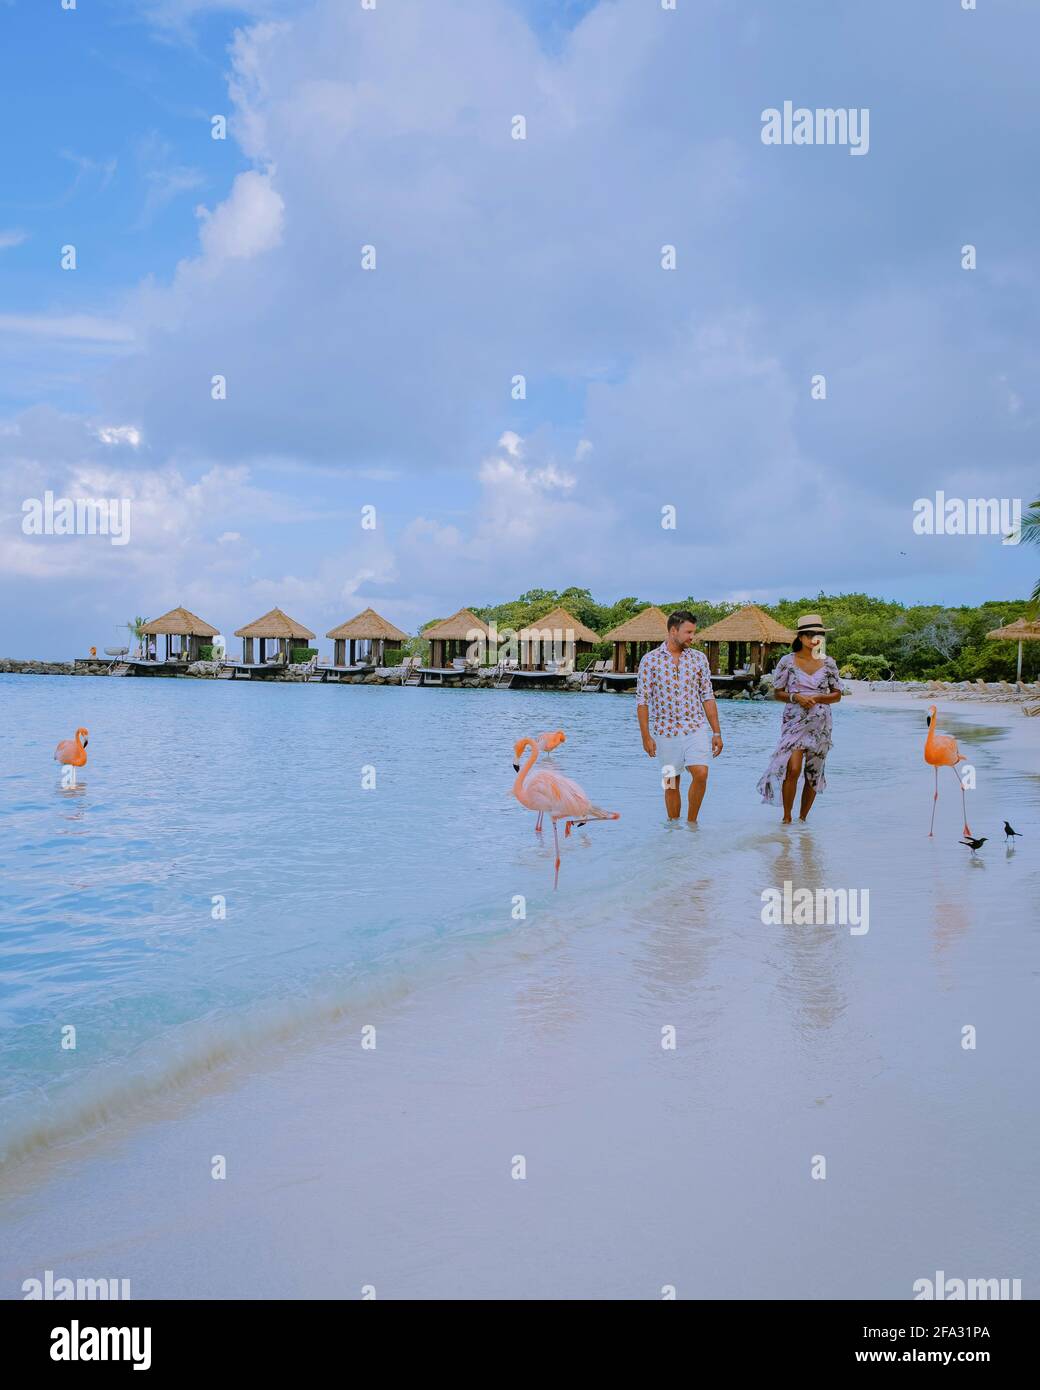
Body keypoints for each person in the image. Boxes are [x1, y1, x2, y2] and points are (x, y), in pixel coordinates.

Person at [636, 610, 723, 822]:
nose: (692, 637)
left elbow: (707, 696)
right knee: (670, 782)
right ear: (673, 630)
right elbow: (642, 700)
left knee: (701, 773)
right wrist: (646, 736)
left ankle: (692, 824)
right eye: (688, 632)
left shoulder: (699, 659)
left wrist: (716, 732)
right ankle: (673, 831)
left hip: (695, 728)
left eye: (693, 632)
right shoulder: (649, 661)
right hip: (665, 733)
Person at [757, 614, 843, 823]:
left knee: (813, 772)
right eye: (811, 634)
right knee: (792, 768)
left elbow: (837, 694)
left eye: (820, 634)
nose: (816, 638)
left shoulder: (828, 663)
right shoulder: (787, 661)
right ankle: (787, 818)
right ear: (801, 637)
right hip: (794, 722)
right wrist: (796, 697)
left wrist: (819, 697)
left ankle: (802, 820)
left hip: (820, 723)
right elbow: (777, 693)